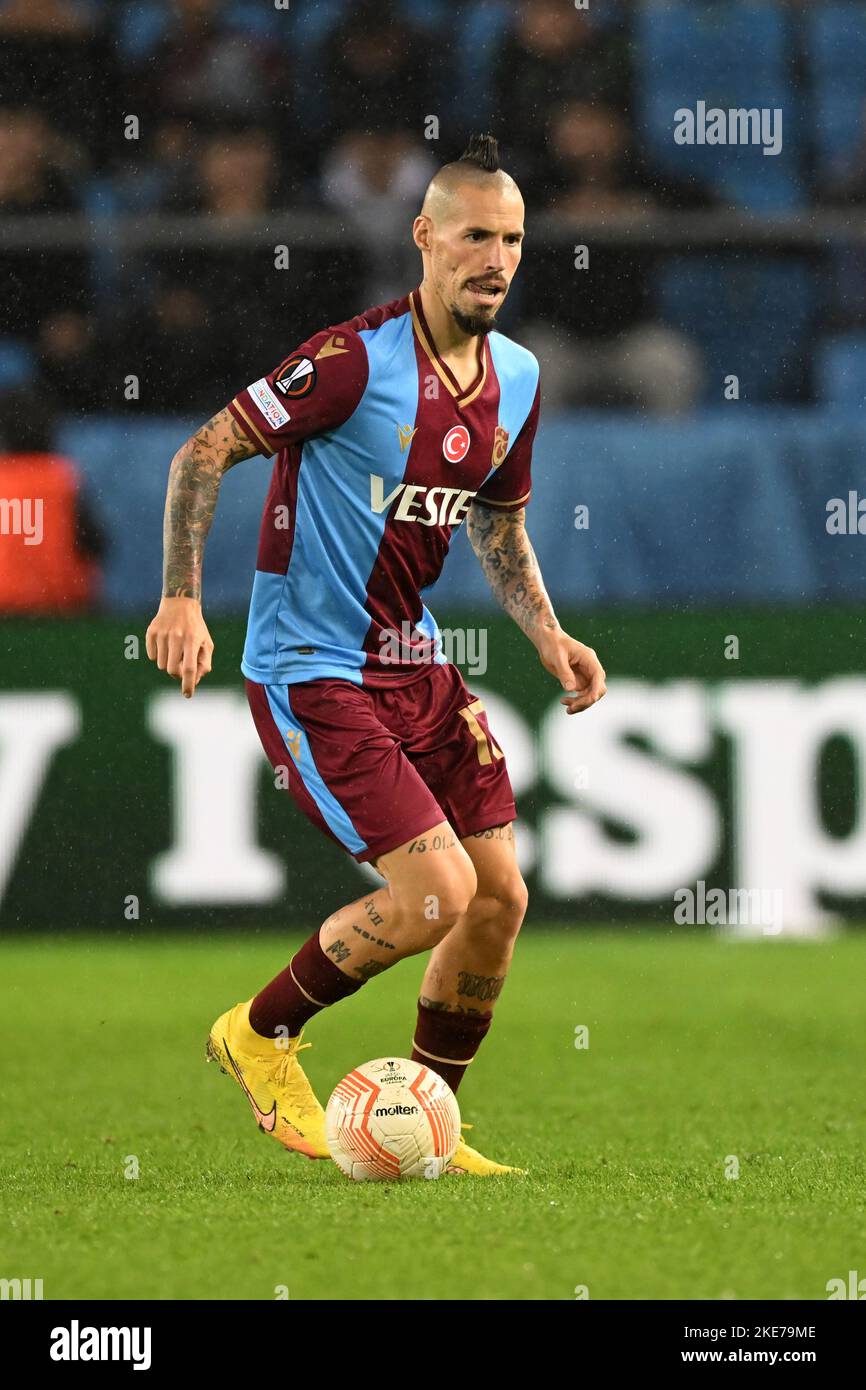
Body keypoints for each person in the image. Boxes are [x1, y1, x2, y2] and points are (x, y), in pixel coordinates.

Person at [145, 135, 606, 1176]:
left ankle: (426, 1119)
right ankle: (256, 1035)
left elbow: (495, 521)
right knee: (432, 894)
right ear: (424, 238)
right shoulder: (351, 362)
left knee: (498, 900)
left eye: (514, 240)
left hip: (418, 666)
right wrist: (182, 595)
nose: (495, 258)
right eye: (475, 236)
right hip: (314, 670)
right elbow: (203, 449)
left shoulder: (517, 376)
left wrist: (545, 633)